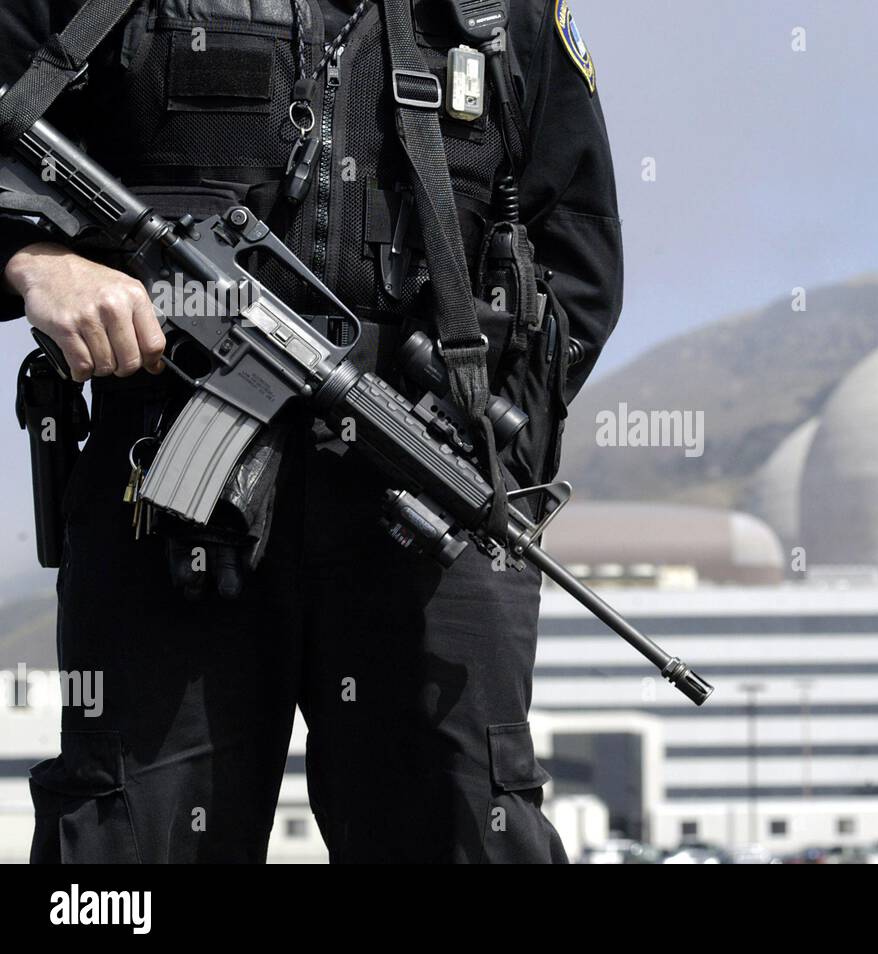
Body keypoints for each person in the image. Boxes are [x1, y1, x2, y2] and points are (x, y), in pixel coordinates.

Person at [0, 0, 622, 863]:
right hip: (168, 492)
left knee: (469, 829)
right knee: (122, 853)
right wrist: (36, 257)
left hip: (425, 506)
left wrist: (477, 459)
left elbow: (576, 266)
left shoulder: (502, 14)